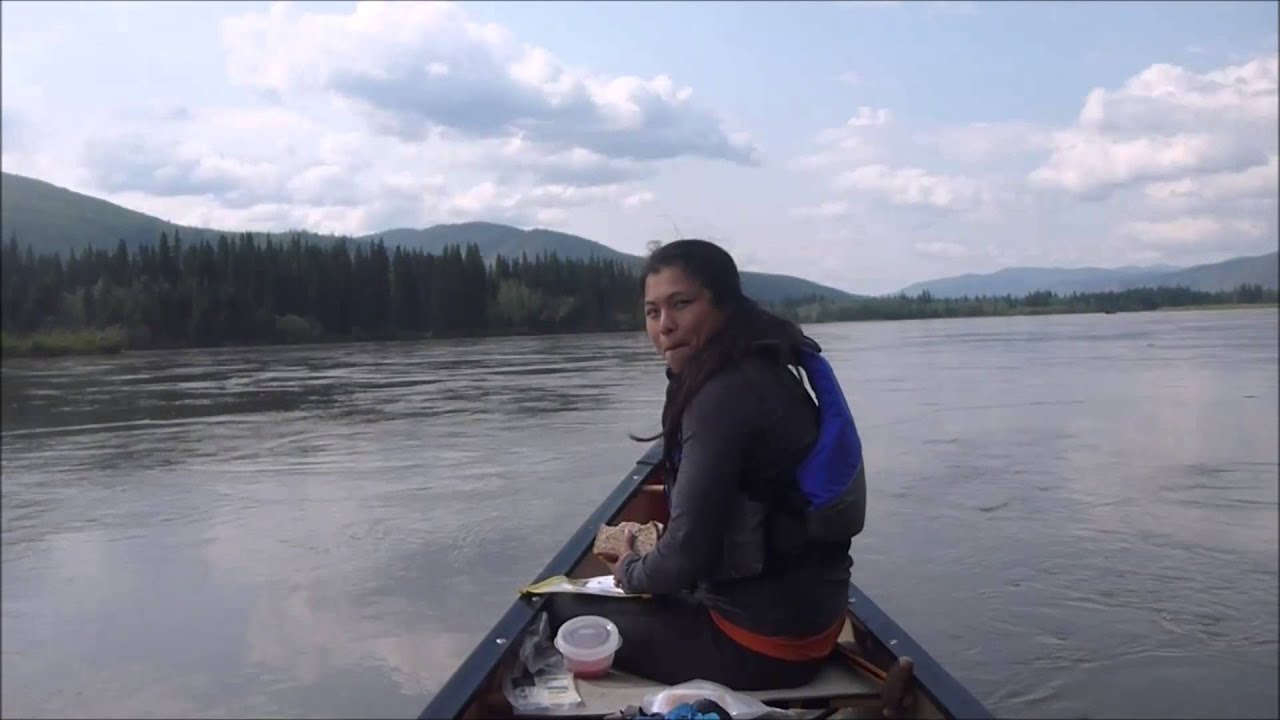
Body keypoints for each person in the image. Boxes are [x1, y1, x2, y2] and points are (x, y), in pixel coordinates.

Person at [545, 239, 866, 691]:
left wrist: (631, 571)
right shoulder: (765, 368)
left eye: (681, 304)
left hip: (759, 647)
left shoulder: (722, 395)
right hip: (813, 626)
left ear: (725, 307)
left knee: (560, 609)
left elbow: (684, 557)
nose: (665, 327)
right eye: (652, 311)